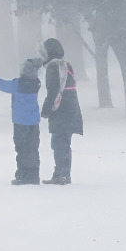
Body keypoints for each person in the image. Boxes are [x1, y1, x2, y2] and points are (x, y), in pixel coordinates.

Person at [0, 57, 44, 185]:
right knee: (33, 149)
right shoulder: (36, 84)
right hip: (34, 122)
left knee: (22, 149)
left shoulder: (17, 84)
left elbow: (1, 84)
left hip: (20, 123)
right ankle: (33, 175)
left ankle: (23, 176)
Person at [39, 38, 83, 185]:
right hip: (71, 107)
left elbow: (52, 90)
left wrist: (46, 109)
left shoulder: (53, 66)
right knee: (65, 141)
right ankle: (64, 173)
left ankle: (61, 174)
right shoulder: (65, 63)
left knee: (58, 142)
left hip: (61, 109)